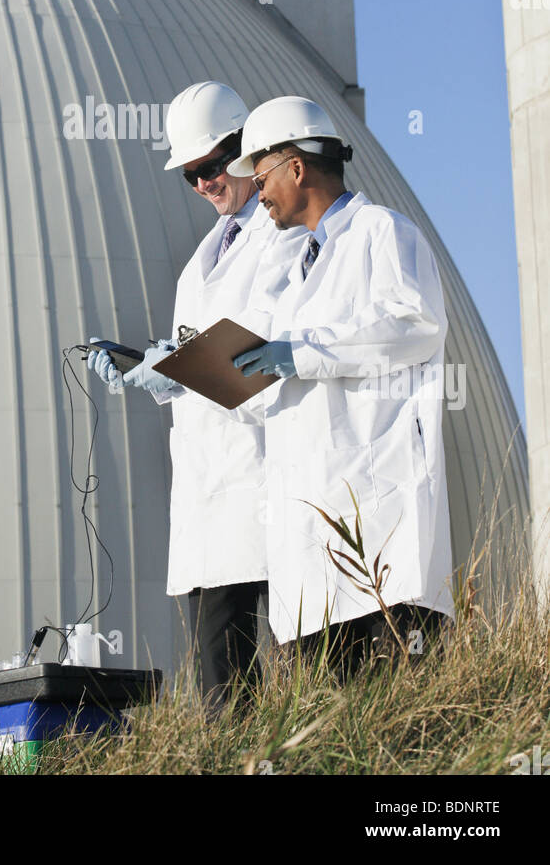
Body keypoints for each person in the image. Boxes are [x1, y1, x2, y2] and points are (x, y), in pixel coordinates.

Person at [88, 82, 306, 708]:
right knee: (221, 680)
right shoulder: (199, 266)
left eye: (214, 166)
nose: (207, 183)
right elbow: (203, 351)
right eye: (192, 175)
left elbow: (266, 348)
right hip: (211, 491)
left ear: (245, 149)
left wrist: (178, 366)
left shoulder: (285, 238)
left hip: (269, 471)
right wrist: (153, 366)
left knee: (303, 659)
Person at [229, 96, 454, 674]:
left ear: (297, 168)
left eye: (261, 177)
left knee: (403, 722)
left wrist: (300, 354)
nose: (258, 193)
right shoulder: (295, 271)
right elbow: (291, 382)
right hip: (310, 552)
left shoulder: (382, 233)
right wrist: (216, 380)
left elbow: (416, 325)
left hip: (379, 530)